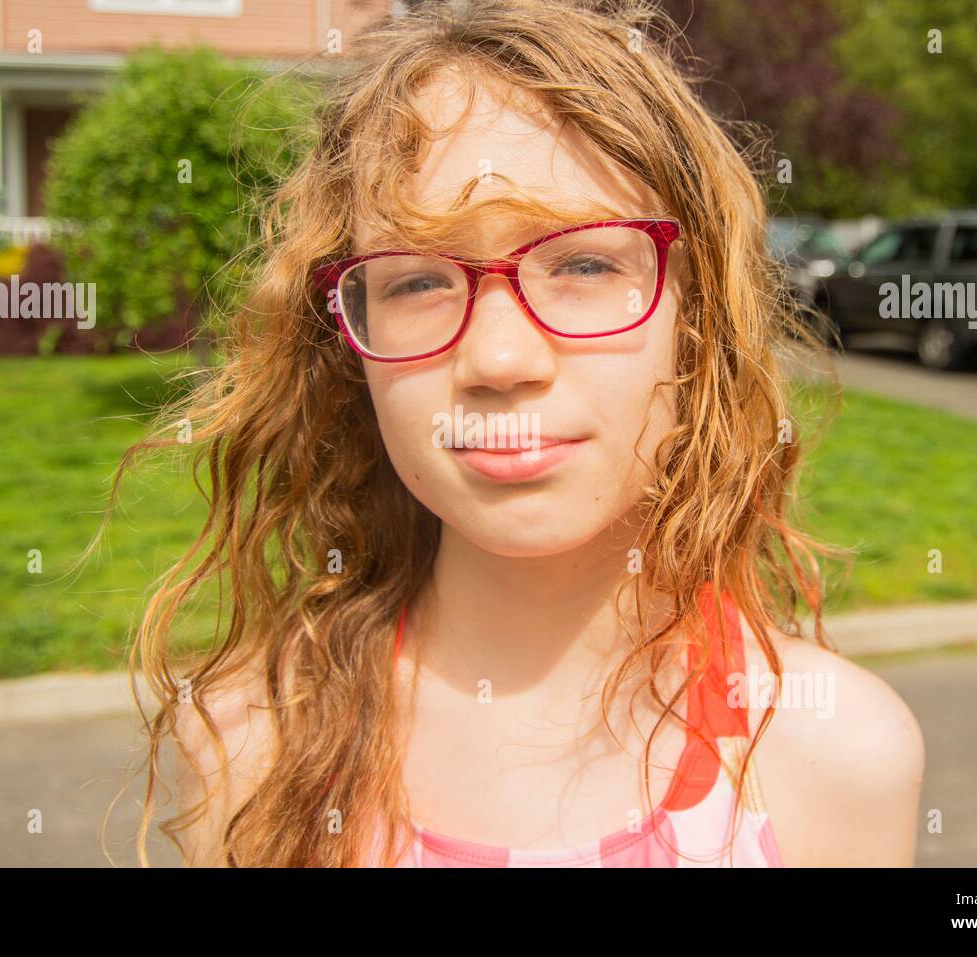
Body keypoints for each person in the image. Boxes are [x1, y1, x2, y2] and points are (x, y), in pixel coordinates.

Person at [123, 0, 924, 868]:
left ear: (699, 323)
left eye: (585, 263)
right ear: (350, 345)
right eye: (417, 280)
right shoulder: (250, 744)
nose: (499, 358)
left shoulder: (830, 755)